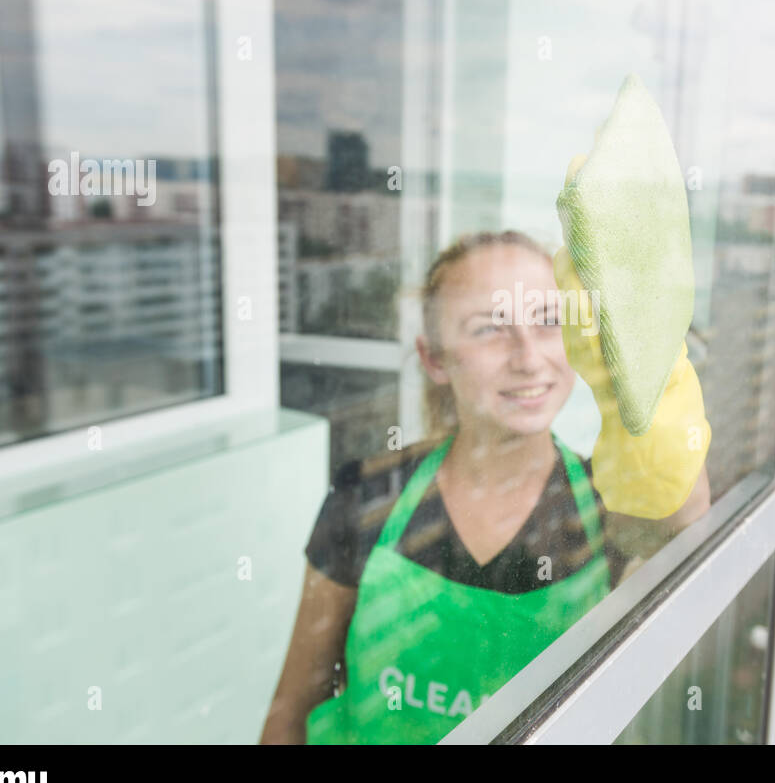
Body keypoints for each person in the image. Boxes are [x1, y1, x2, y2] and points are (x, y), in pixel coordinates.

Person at [260, 228, 711, 744]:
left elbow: (690, 521)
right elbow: (291, 710)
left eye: (549, 322)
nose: (528, 357)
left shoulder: (611, 503)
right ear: (434, 359)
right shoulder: (365, 499)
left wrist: (642, 349)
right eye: (490, 328)